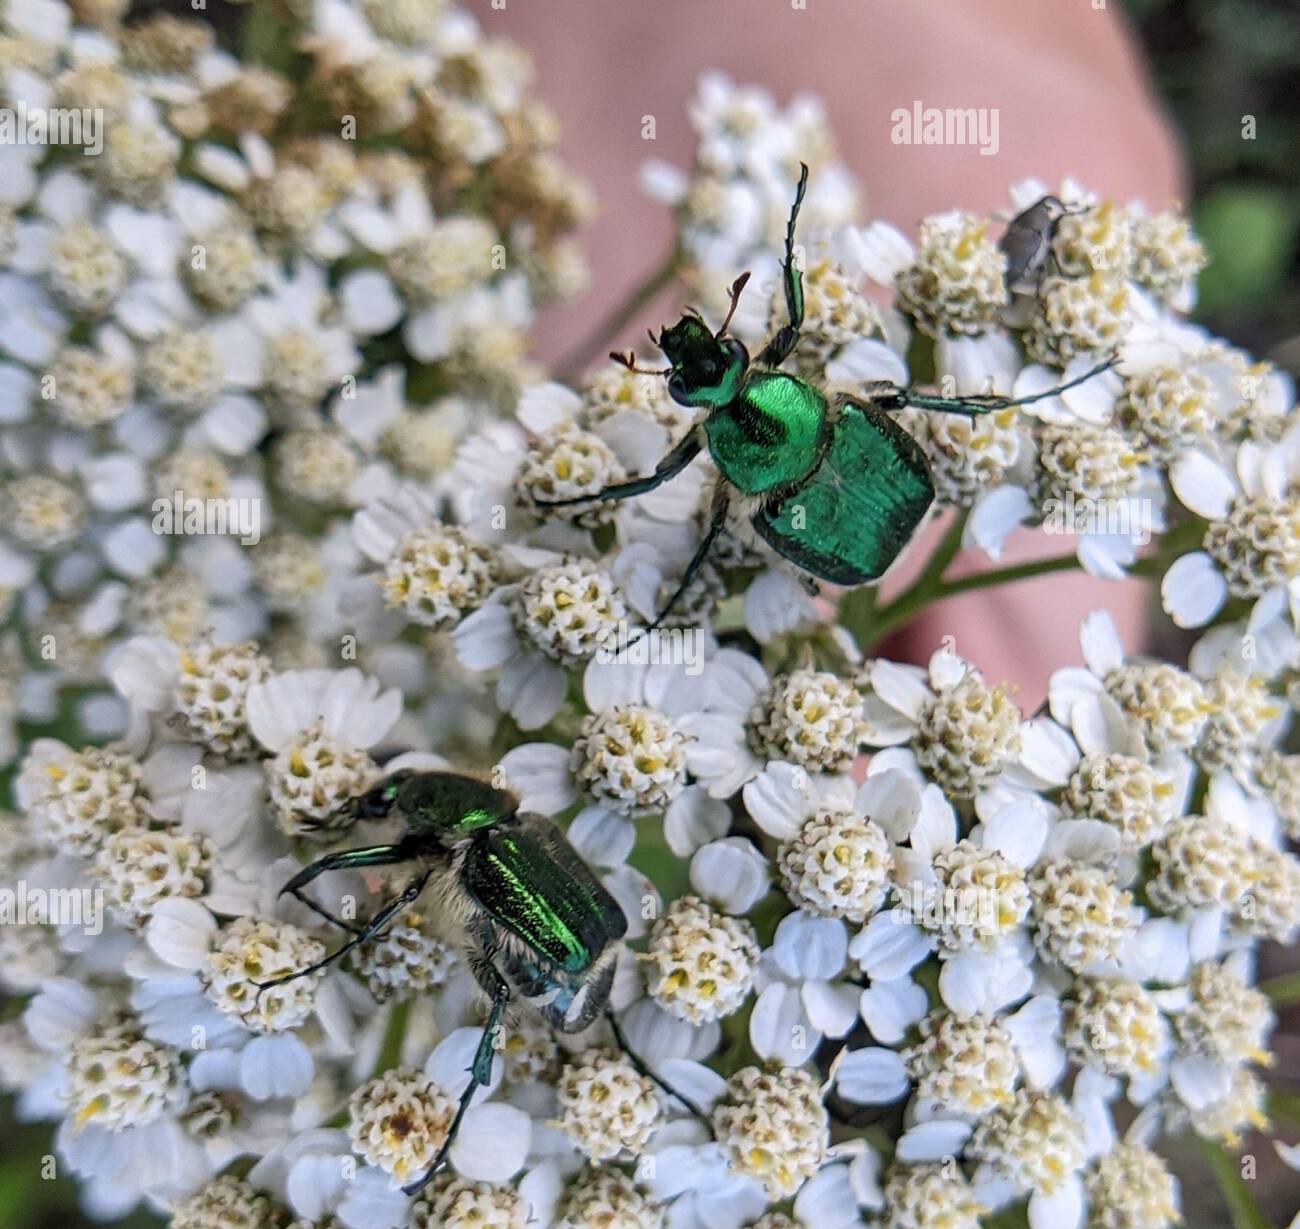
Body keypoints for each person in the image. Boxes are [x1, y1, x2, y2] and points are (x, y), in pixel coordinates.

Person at [473, 0, 1186, 705]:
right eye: (703, 376)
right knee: (899, 401)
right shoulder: (784, 412)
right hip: (859, 526)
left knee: (878, 415)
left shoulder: (746, 461)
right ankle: (1008, 404)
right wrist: (790, 245)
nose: (709, 363)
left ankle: (1009, 403)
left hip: (856, 529)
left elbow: (658, 482)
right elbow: (797, 325)